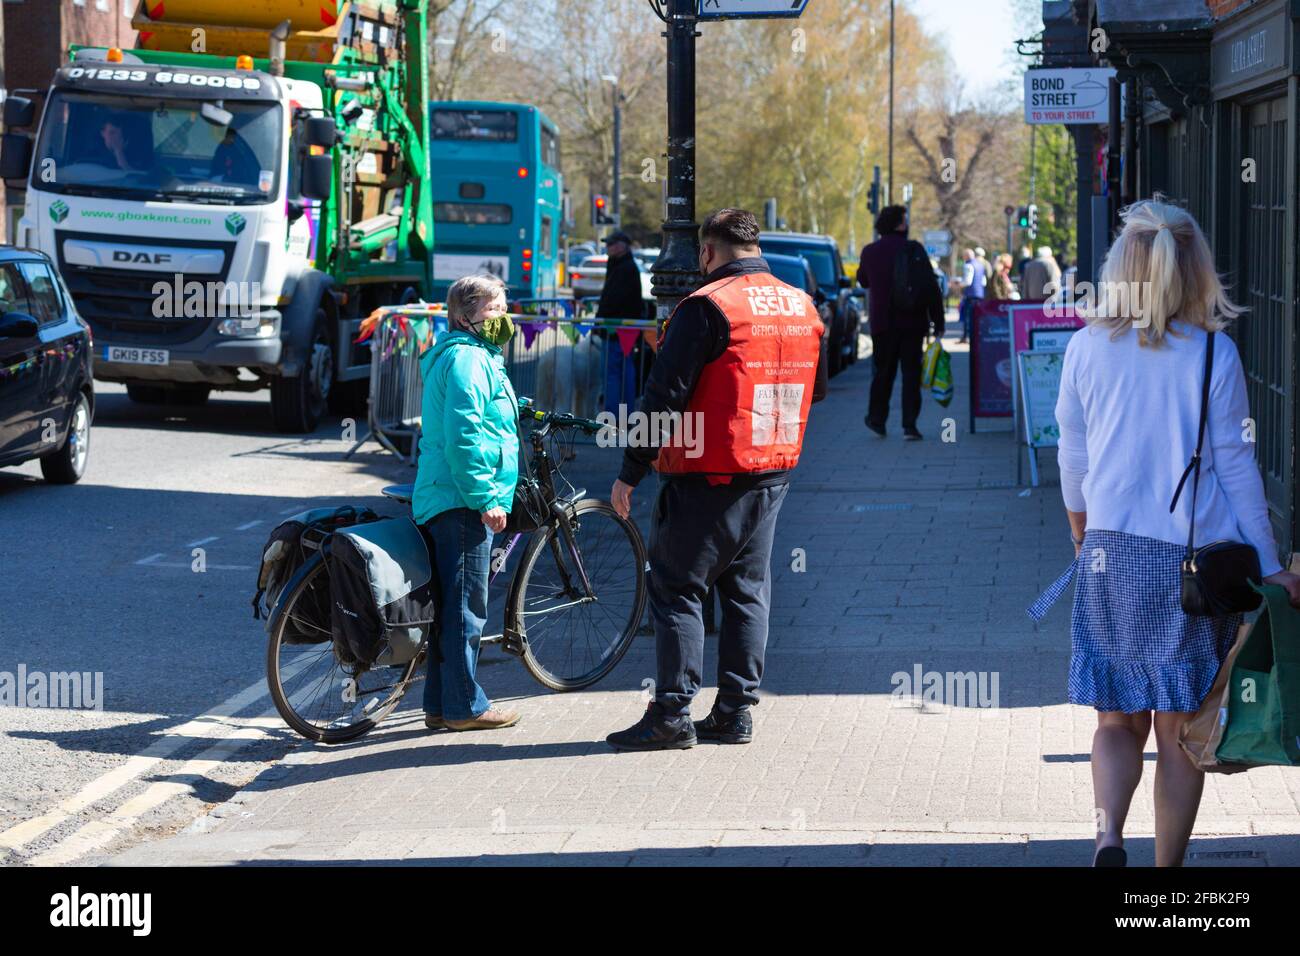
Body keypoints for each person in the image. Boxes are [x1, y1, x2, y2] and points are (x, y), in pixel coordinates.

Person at [1053, 199, 1300, 866]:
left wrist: (1081, 534)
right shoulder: (1213, 353)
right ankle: (1165, 874)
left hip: (1107, 554)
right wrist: (1272, 565)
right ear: (1195, 272)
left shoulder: (1084, 347)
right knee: (1179, 730)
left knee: (1114, 719)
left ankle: (1108, 837)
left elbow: (1071, 459)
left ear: (1118, 269)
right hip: (1187, 567)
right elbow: (1240, 470)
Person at [605, 208, 828, 751]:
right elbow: (817, 390)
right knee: (748, 591)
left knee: (678, 586)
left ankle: (672, 714)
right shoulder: (802, 305)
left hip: (709, 471)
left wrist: (631, 470)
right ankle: (734, 712)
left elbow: (663, 396)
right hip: (772, 468)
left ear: (707, 252)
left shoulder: (706, 307)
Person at [412, 274, 522, 733]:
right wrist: (485, 499)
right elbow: (464, 436)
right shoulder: (467, 361)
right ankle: (465, 707)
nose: (503, 317)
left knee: (451, 606)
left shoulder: (474, 358)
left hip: (448, 495)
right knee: (465, 608)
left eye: (502, 307)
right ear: (465, 316)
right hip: (460, 500)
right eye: (494, 309)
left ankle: (440, 704)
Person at [856, 204, 944, 440]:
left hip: (882, 325)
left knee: (883, 373)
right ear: (900, 224)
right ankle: (909, 425)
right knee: (911, 375)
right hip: (912, 323)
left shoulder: (870, 251)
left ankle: (877, 420)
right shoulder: (913, 249)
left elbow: (863, 281)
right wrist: (939, 321)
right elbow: (931, 287)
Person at [596, 230, 645, 414]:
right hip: (622, 329)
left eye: (611, 244)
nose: (607, 247)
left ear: (622, 245)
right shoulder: (622, 265)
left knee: (613, 374)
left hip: (616, 330)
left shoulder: (624, 267)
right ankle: (625, 413)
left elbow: (612, 299)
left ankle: (613, 415)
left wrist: (600, 319)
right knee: (623, 372)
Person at [956, 247, 985, 344]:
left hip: (970, 294)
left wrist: (958, 284)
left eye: (964, 256)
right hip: (980, 293)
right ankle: (977, 335)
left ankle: (966, 336)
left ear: (967, 256)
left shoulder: (968, 265)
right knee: (977, 316)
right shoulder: (980, 265)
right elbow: (983, 282)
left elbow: (967, 281)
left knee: (967, 316)